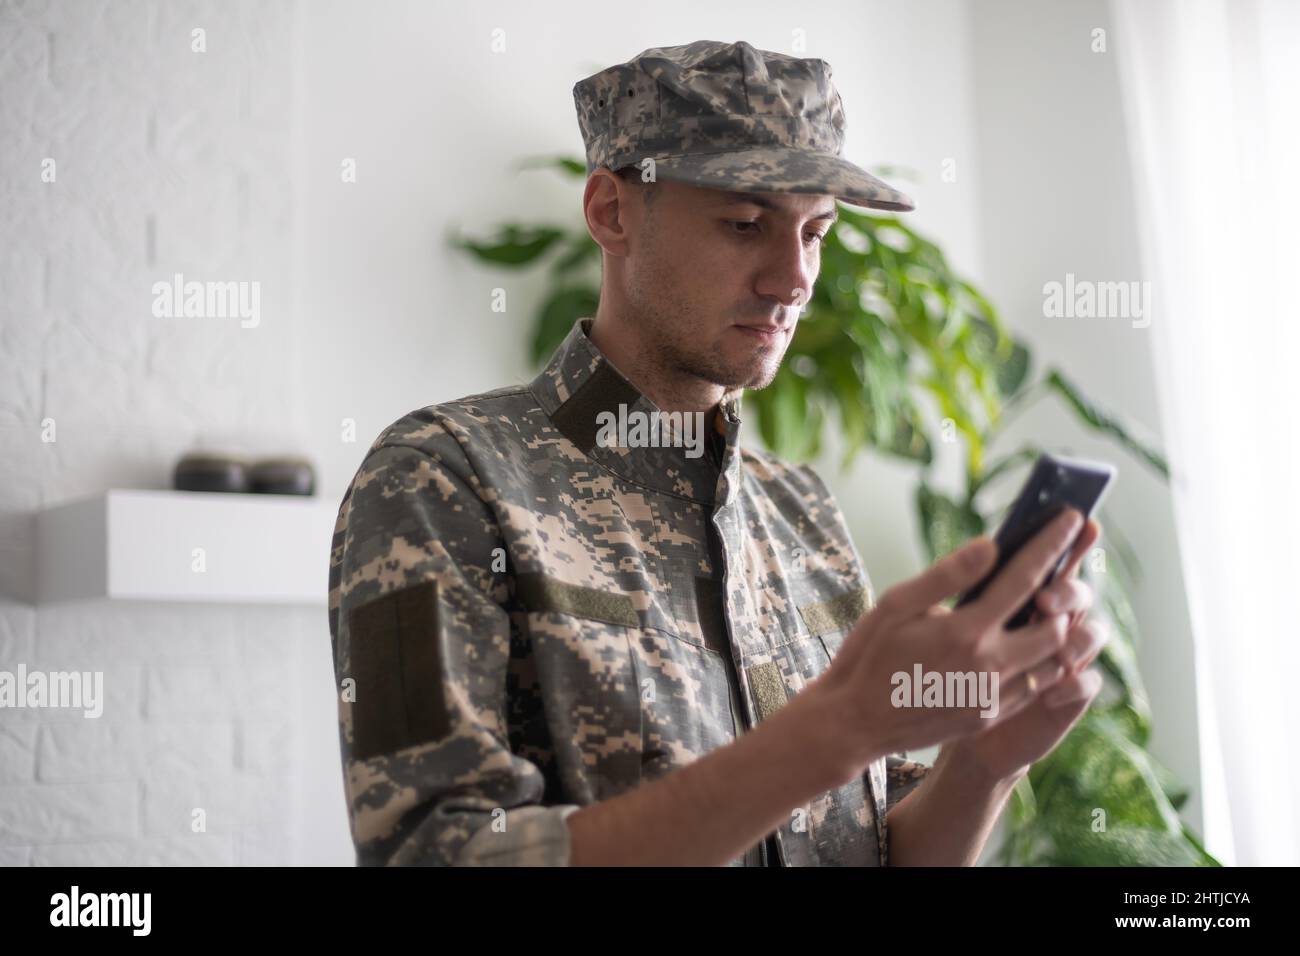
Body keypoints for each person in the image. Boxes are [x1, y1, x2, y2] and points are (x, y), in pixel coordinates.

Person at [327, 39, 1106, 866]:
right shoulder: (439, 478)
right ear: (611, 211)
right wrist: (835, 729)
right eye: (744, 224)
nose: (794, 277)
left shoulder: (802, 510)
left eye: (815, 232)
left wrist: (986, 761)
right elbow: (431, 856)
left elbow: (881, 854)